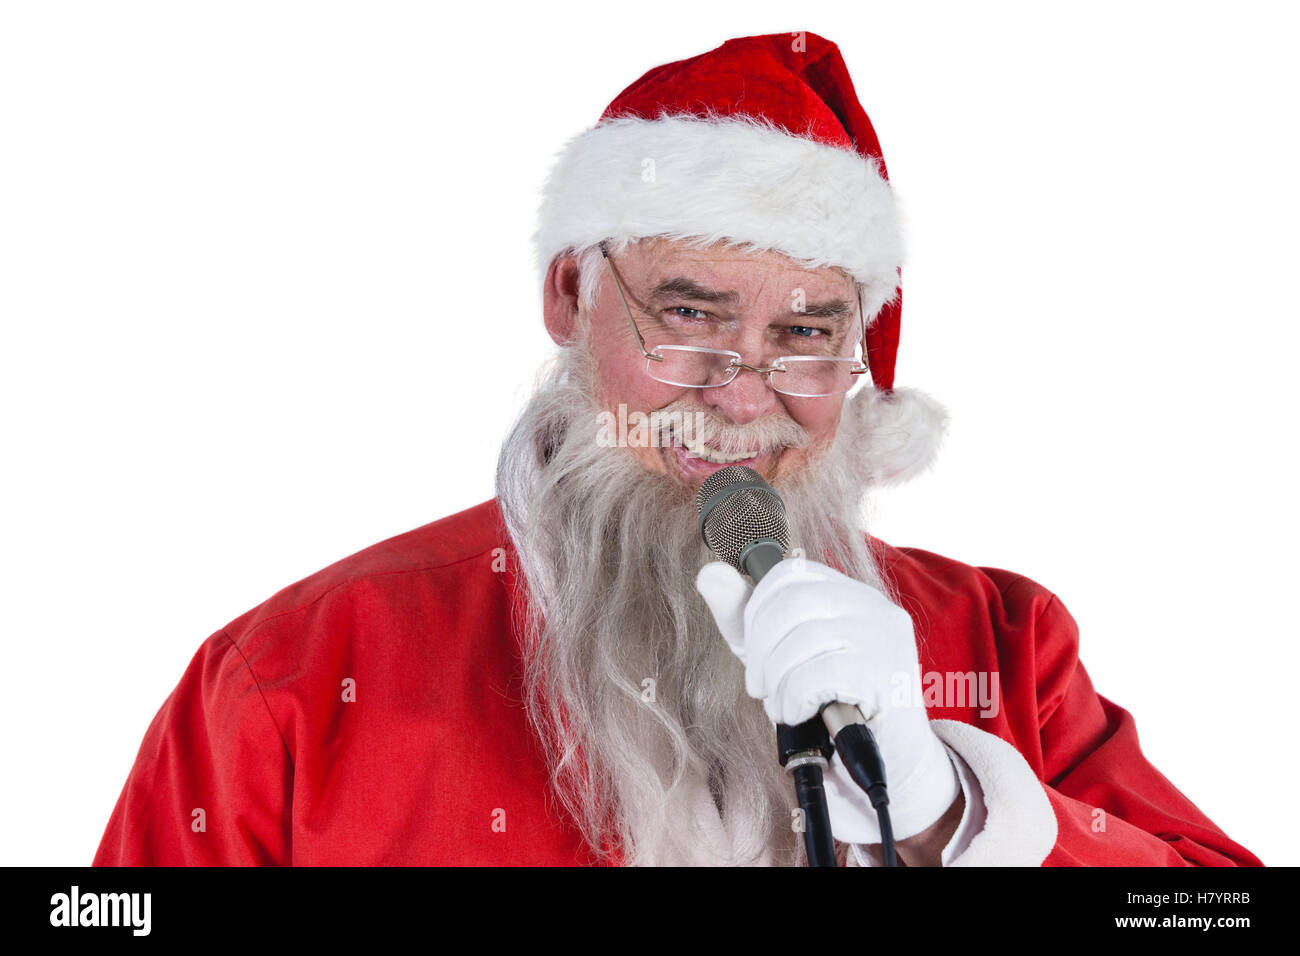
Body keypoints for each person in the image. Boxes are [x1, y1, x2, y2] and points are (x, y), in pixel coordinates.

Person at [93, 32, 1262, 867]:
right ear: (568, 295)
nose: (741, 393)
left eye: (805, 334)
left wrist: (951, 809)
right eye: (688, 315)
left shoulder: (1005, 649)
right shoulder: (293, 683)